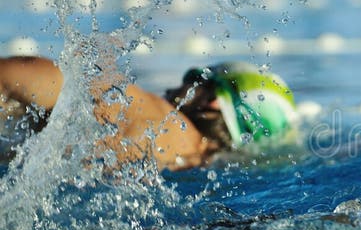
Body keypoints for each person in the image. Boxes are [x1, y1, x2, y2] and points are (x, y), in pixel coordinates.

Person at [0, 56, 296, 170]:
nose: (173, 89)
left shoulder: (159, 119)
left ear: (213, 103)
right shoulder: (193, 161)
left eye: (194, 81)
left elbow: (45, 79)